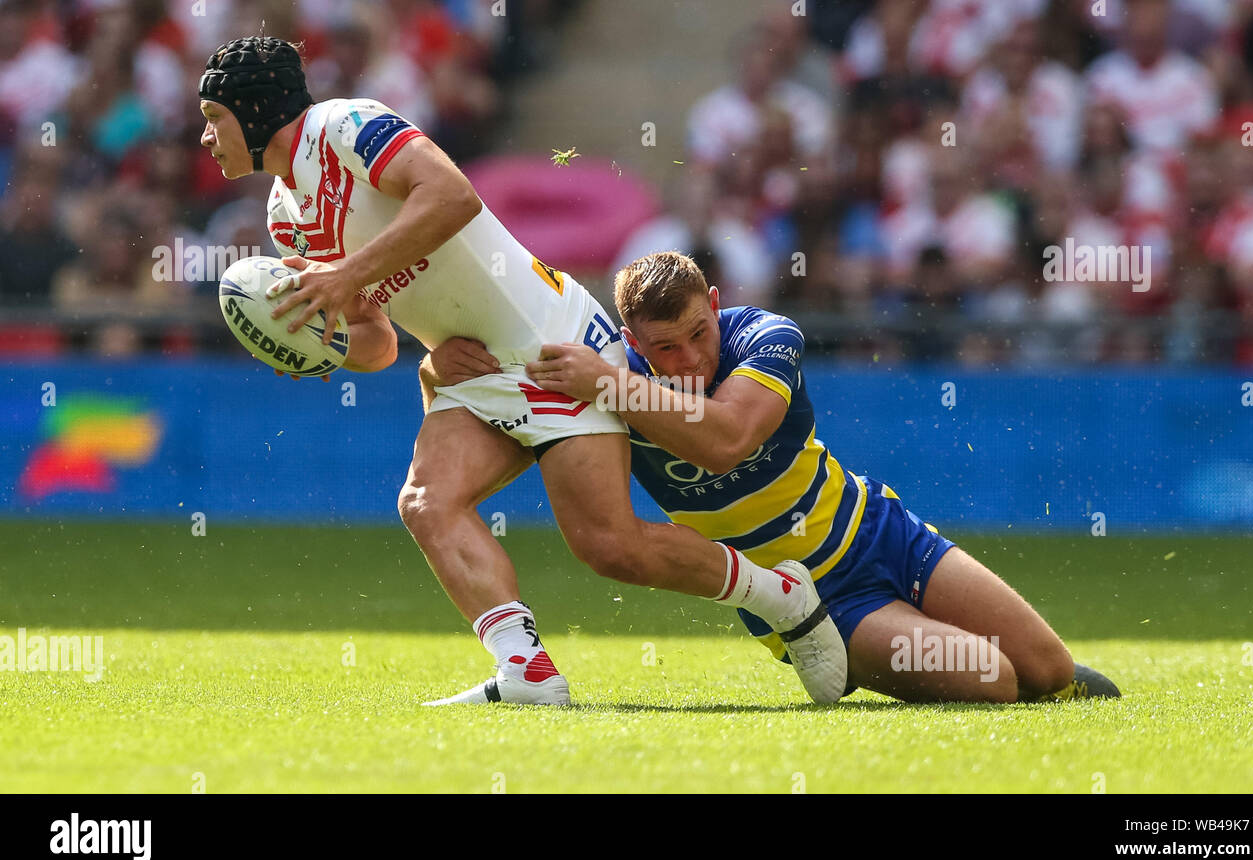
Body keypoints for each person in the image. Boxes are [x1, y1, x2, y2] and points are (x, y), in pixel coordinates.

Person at [196, 36, 847, 706]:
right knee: (426, 501)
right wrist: (319, 345)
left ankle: (783, 594)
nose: (206, 136)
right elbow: (377, 339)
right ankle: (527, 671)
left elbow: (452, 197)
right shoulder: (285, 217)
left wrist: (345, 277)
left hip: (551, 344)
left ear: (254, 108)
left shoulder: (346, 126)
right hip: (470, 369)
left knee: (609, 547)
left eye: (214, 116)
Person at [427, 252, 1121, 702]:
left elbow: (727, 438)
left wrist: (611, 384)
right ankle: (871, 654)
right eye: (664, 348)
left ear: (717, 303)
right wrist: (443, 369)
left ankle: (1031, 673)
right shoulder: (610, 380)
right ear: (633, 341)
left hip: (880, 532)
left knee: (1050, 669)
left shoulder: (764, 336)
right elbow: (517, 419)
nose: (690, 357)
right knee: (994, 678)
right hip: (818, 602)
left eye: (700, 332)